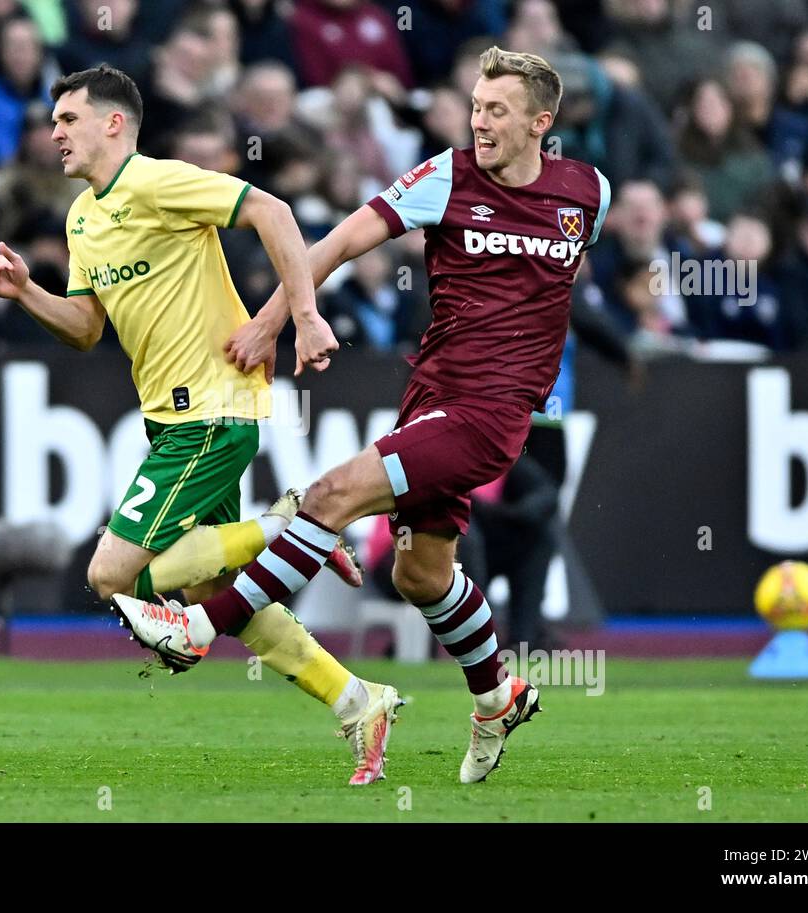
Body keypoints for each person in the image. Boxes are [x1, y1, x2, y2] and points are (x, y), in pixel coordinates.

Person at [113, 47, 612, 785]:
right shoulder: (447, 176)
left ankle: (200, 625)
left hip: (493, 412)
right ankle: (497, 693)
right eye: (475, 106)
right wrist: (278, 318)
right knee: (420, 574)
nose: (479, 120)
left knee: (329, 497)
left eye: (496, 110)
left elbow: (562, 279)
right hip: (432, 396)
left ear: (541, 122)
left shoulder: (586, 193)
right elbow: (341, 242)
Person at [0, 65, 397, 785]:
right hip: (169, 417)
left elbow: (272, 209)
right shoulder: (84, 216)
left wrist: (299, 317)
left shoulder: (158, 182)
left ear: (114, 123)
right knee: (221, 598)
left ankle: (294, 526)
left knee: (112, 572)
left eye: (68, 120)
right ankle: (360, 699)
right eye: (53, 122)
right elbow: (86, 329)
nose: (54, 132)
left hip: (209, 410)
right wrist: (28, 294)